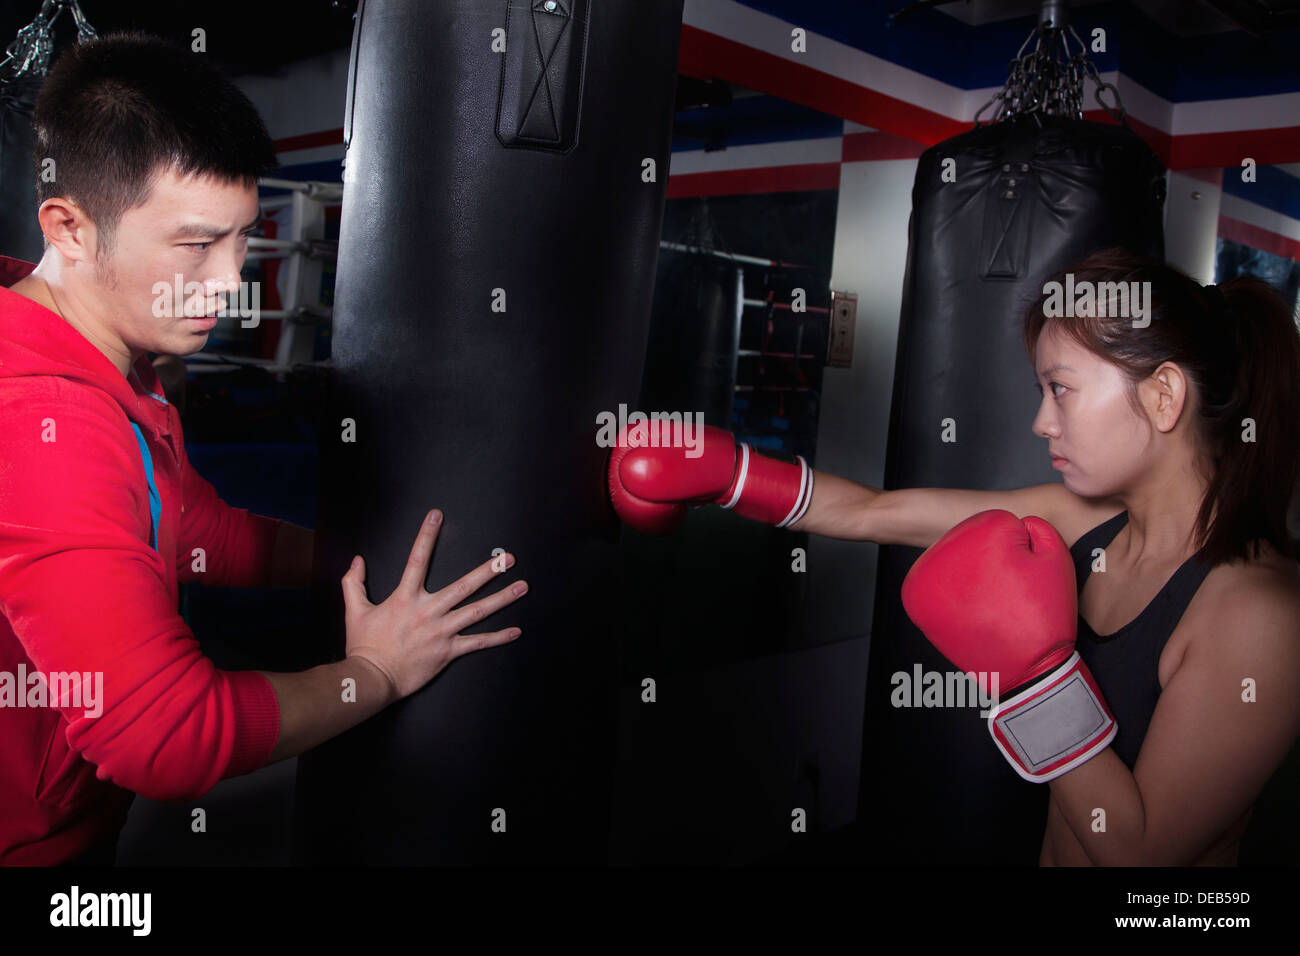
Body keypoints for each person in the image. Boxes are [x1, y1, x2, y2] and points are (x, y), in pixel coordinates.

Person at [0, 33, 527, 866]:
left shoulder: (96, 356)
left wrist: (364, 557)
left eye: (244, 238)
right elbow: (164, 736)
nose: (229, 284)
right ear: (69, 226)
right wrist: (377, 673)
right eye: (195, 244)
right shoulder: (42, 421)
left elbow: (196, 531)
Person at [609, 245, 1300, 866]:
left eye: (1060, 388)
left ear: (1164, 394)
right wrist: (730, 475)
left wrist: (1036, 681)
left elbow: (1140, 855)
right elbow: (876, 513)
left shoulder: (1257, 614)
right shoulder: (1091, 522)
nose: (1040, 422)